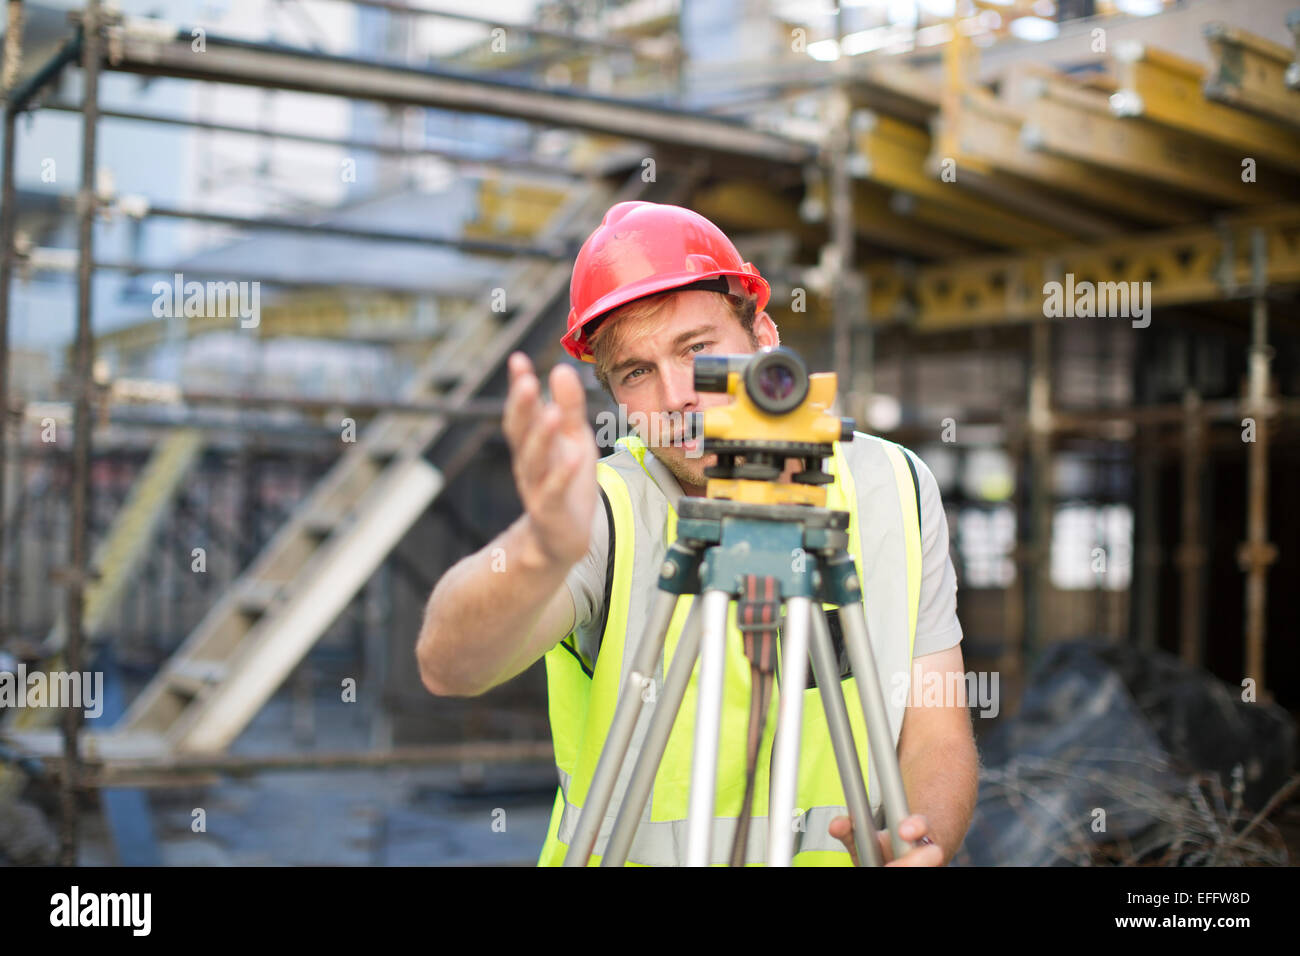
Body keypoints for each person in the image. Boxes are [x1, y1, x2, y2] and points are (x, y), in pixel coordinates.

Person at [417, 201, 978, 866]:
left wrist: (924, 836)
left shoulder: (895, 486)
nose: (678, 394)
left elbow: (937, 732)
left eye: (698, 350)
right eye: (637, 372)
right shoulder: (603, 510)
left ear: (763, 334)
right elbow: (449, 665)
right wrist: (541, 548)